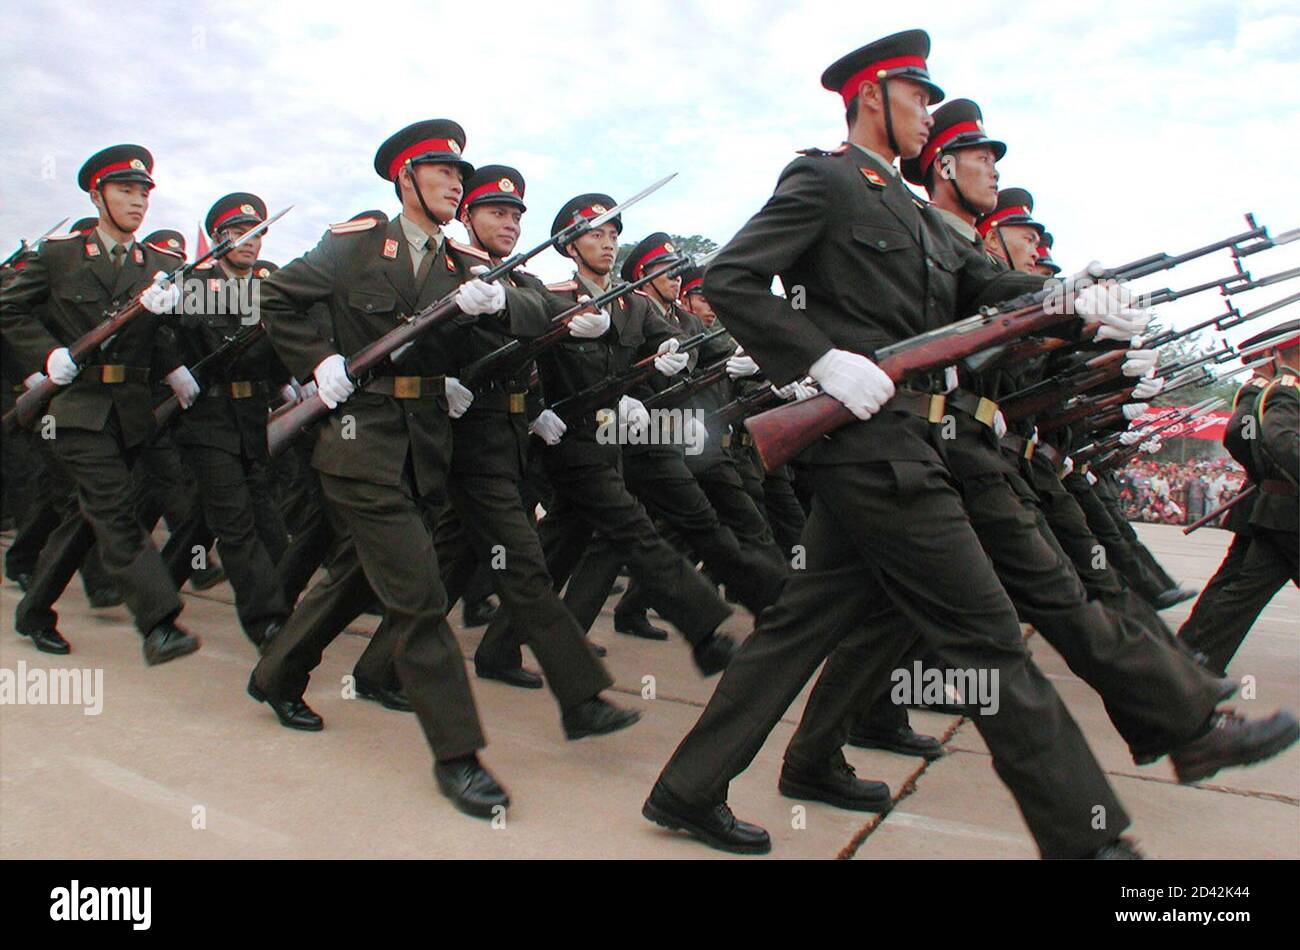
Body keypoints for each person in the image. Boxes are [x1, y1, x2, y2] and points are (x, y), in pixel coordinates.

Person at [1, 144, 202, 664]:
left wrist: (168, 323)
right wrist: (47, 354)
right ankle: (159, 622)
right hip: (78, 408)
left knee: (91, 517)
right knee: (115, 510)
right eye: (125, 191)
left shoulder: (157, 263)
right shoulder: (60, 255)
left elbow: (159, 336)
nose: (138, 202)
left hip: (131, 409)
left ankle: (35, 609)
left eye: (143, 192)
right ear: (97, 196)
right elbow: (9, 309)